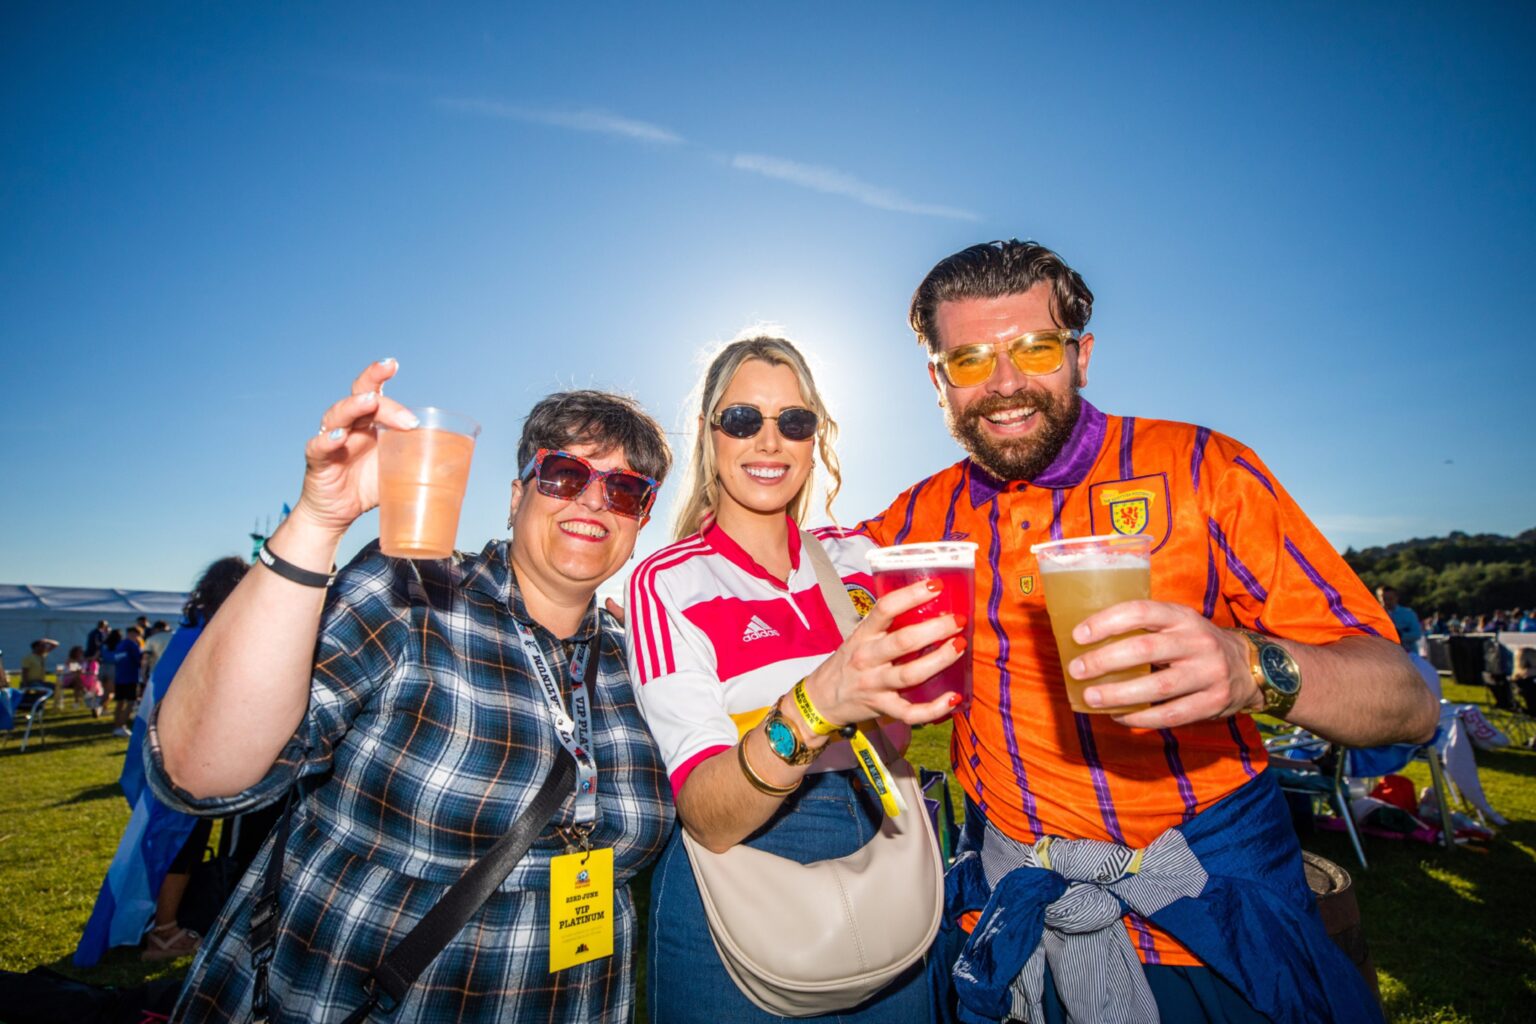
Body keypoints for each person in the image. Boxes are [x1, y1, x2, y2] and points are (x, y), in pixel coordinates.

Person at [850, 240, 1440, 1024]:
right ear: (937, 383)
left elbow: (1409, 701)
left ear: (1081, 355)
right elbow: (796, 568)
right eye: (968, 361)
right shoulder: (917, 519)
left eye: (1034, 348)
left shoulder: (1207, 469)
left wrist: (1252, 666)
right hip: (1020, 919)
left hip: (1216, 932)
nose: (1004, 385)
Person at [147, 359, 675, 1023]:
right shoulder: (415, 593)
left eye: (626, 489)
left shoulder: (641, 660)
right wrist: (319, 520)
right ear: (517, 495)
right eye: (566, 473)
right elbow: (202, 772)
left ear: (639, 519)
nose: (595, 500)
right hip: (353, 999)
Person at [627, 336, 963, 1023]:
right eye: (744, 419)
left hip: (884, 826)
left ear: (817, 439)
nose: (770, 441)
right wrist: (818, 704)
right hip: (743, 859)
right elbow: (707, 814)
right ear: (710, 434)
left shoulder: (859, 560)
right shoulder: (667, 581)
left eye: (795, 422)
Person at [75, 557, 252, 966]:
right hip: (186, 760)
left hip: (171, 754)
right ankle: (164, 933)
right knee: (180, 845)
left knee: (172, 843)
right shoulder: (211, 637)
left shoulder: (190, 633)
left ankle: (157, 921)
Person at [111, 626, 144, 738]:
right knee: (130, 703)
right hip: (130, 677)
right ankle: (121, 726)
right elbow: (139, 661)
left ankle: (116, 726)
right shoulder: (133, 646)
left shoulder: (120, 645)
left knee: (120, 703)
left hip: (120, 677)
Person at [1377, 586, 1425, 654]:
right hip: (1385, 655)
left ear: (1396, 598)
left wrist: (1399, 636)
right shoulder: (1376, 615)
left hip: (1408, 655)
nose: (1387, 602)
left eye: (1390, 599)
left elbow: (1417, 634)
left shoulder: (1408, 614)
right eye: (1384, 599)